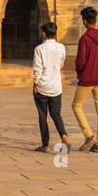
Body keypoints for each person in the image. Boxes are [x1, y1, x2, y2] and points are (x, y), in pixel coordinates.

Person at [72, 6, 98, 152]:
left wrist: (80, 72)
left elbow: (80, 61)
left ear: (84, 21)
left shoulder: (85, 38)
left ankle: (88, 134)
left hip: (87, 78)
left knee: (76, 105)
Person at [32, 21, 69, 153]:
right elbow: (61, 64)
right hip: (56, 86)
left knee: (43, 116)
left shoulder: (39, 49)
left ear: (43, 34)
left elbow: (37, 69)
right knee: (56, 114)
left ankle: (45, 144)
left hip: (42, 86)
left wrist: (35, 84)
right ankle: (63, 135)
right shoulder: (61, 48)